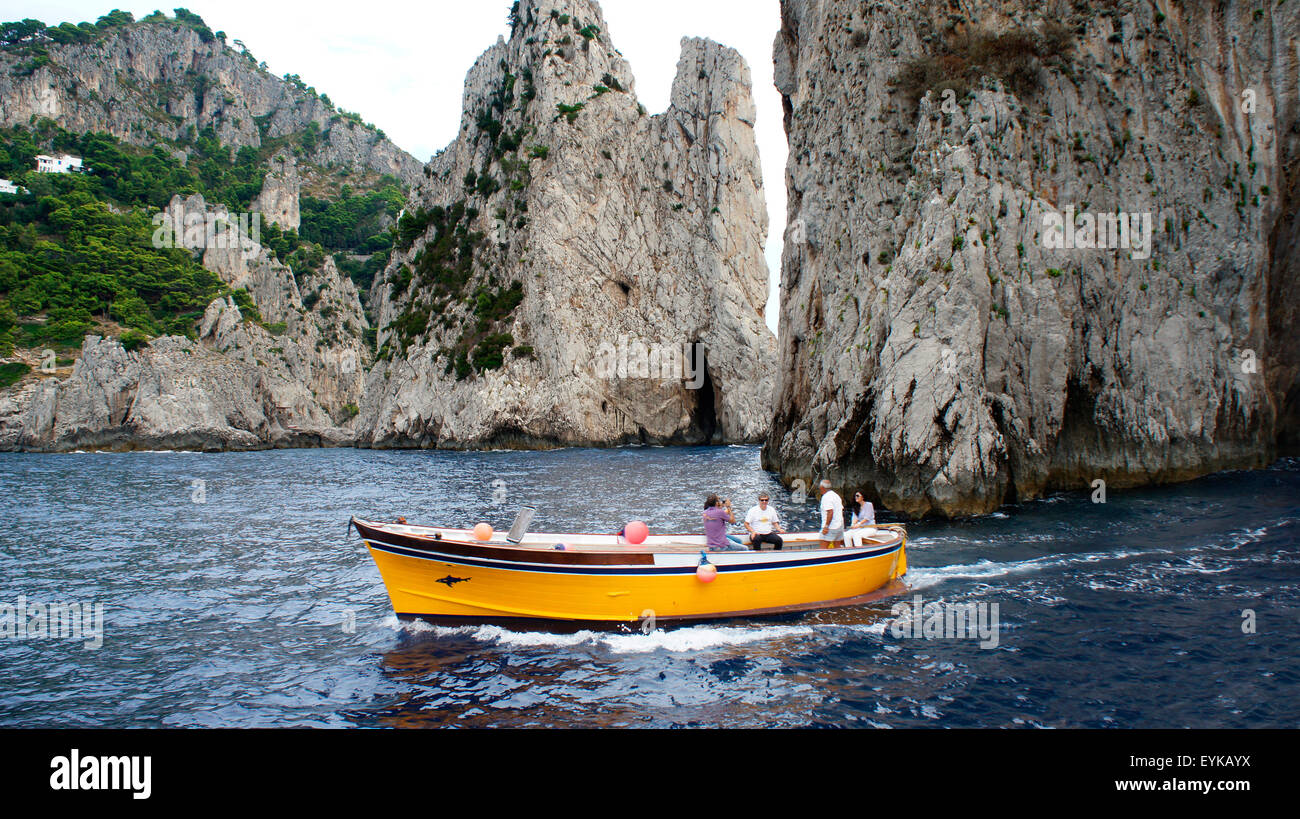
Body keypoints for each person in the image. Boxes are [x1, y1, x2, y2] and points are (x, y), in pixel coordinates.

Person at [816, 479, 844, 548]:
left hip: (831, 527)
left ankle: (822, 558)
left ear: (822, 487)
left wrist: (826, 527)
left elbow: (830, 512)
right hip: (840, 525)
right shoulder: (836, 496)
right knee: (837, 546)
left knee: (823, 549)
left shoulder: (826, 497)